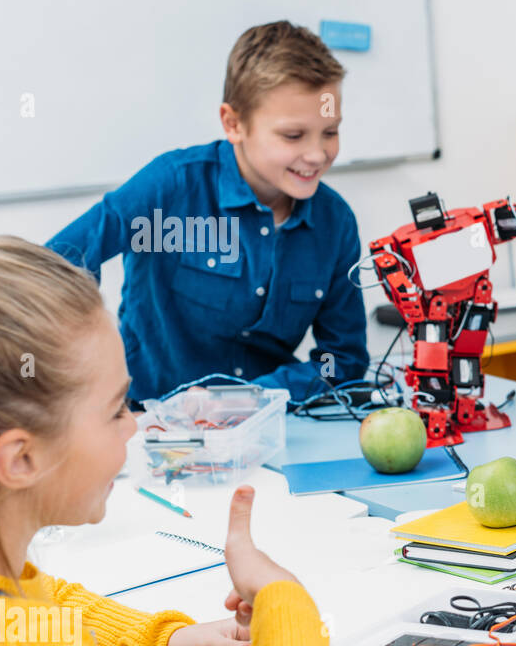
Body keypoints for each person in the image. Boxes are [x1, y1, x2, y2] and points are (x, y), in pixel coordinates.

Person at [0, 236, 339, 646]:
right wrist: (286, 606)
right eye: (117, 409)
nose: (135, 427)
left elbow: (38, 602)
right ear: (21, 459)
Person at [47, 21, 368, 402]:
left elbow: (342, 359)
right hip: (149, 423)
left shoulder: (335, 223)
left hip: (263, 431)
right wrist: (93, 376)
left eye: (330, 132)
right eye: (293, 136)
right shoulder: (171, 186)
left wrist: (253, 396)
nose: (318, 154)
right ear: (234, 124)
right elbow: (54, 267)